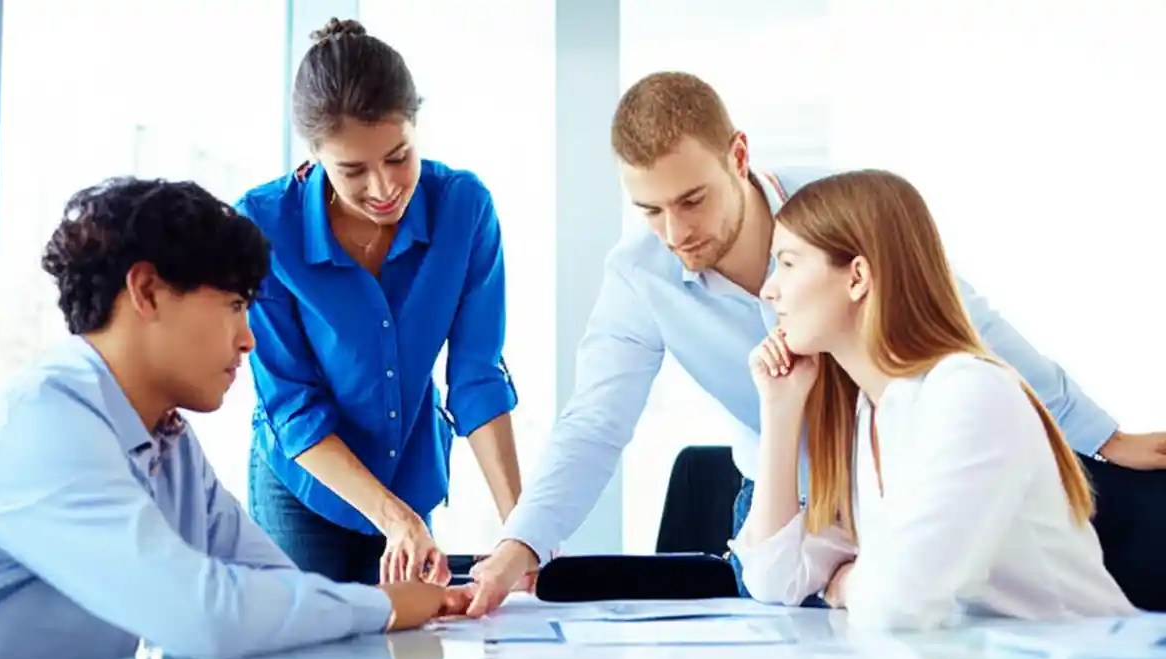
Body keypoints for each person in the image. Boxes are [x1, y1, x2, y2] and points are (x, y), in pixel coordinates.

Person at [463, 71, 1166, 616]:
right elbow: (593, 426)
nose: (674, 234)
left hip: (903, 490)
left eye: (691, 201)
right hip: (811, 483)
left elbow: (964, 316)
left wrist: (1101, 436)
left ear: (738, 156)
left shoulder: (836, 216)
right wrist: (516, 547)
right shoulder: (639, 276)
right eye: (650, 210)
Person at [0, 178, 466, 659]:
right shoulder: (41, 422)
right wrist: (389, 603)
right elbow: (205, 616)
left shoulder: (164, 440)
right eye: (235, 306)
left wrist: (396, 605)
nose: (248, 339)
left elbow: (280, 591)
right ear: (147, 291)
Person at [733, 169, 1135, 628]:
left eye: (787, 262)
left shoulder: (968, 394)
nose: (769, 289)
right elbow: (771, 579)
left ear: (857, 277)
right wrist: (780, 409)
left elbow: (899, 603)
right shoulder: (869, 414)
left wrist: (844, 584)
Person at [239, 18, 523, 586]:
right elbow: (292, 405)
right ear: (314, 155)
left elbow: (476, 377)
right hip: (305, 488)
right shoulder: (264, 226)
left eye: (398, 156)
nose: (384, 187)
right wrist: (395, 518)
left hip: (410, 480)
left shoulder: (464, 209)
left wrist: (524, 530)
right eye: (352, 170)